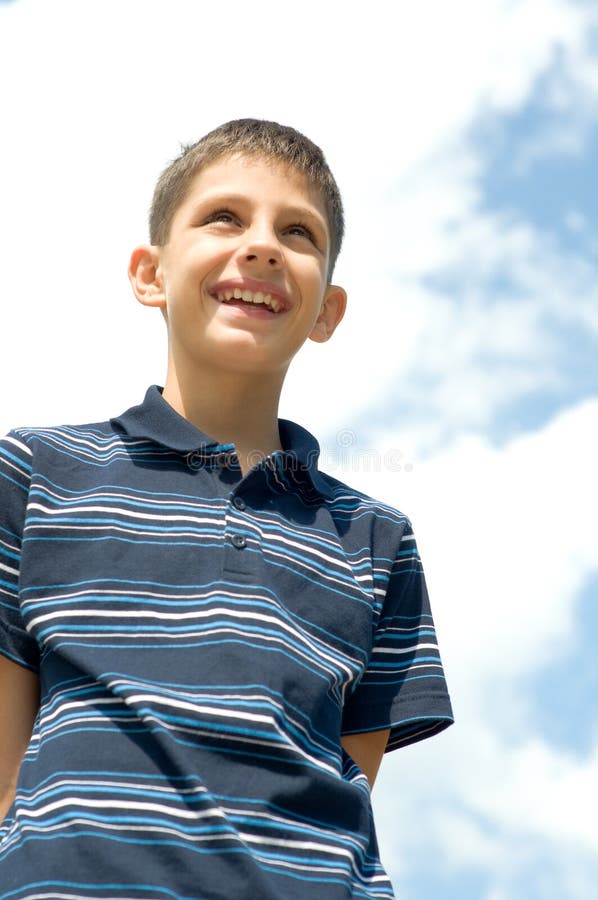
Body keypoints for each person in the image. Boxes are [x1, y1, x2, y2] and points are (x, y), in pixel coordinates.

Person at [0, 118, 453, 899]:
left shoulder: (378, 540)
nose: (264, 245)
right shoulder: (36, 474)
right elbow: (6, 783)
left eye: (298, 231)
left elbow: (343, 787)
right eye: (223, 217)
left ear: (326, 313)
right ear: (150, 274)